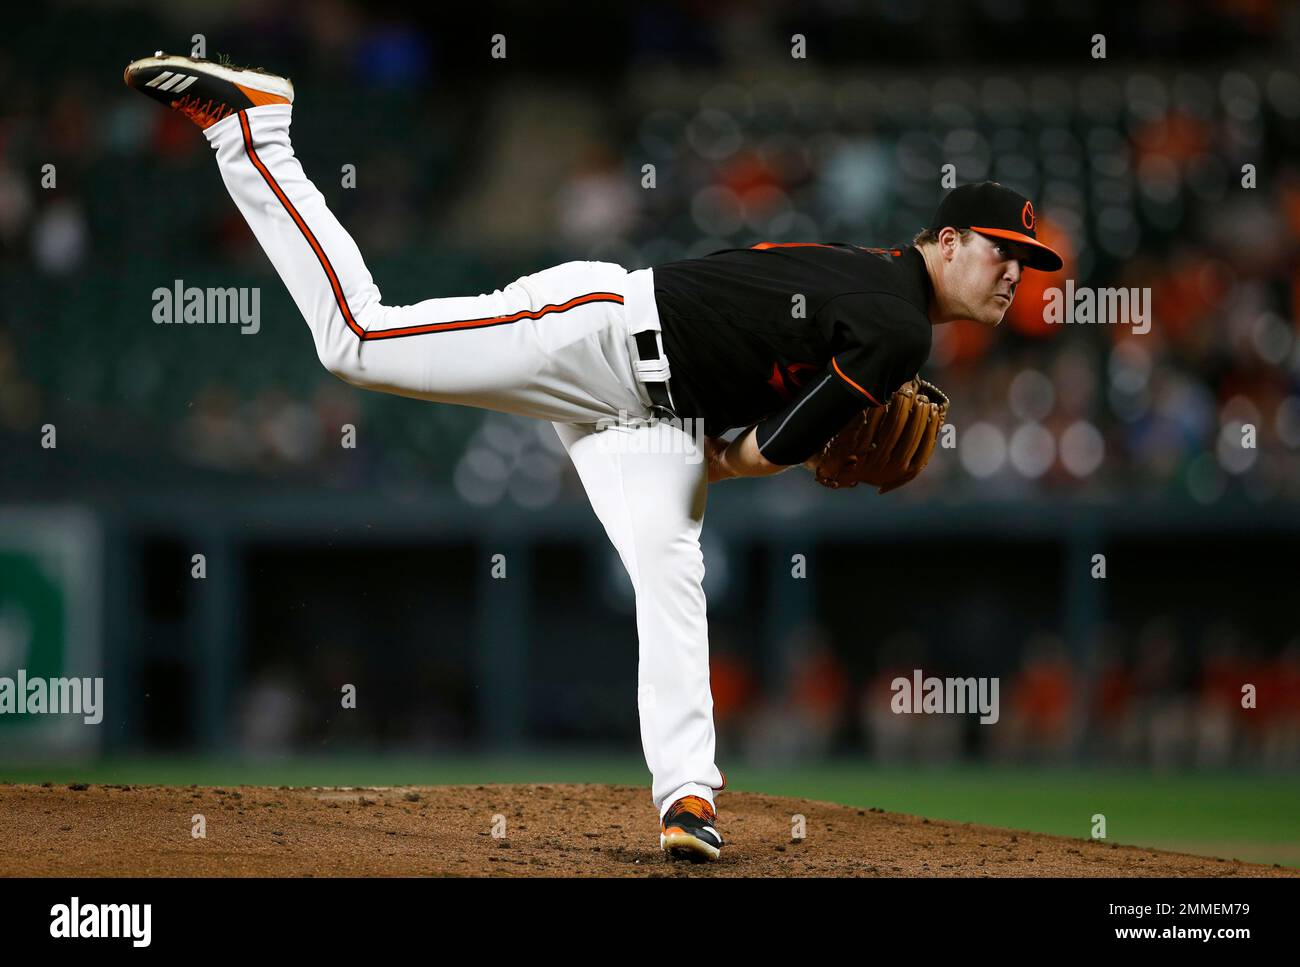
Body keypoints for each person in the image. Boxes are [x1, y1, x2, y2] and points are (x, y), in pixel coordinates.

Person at [123, 52, 1064, 862]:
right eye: (999, 251)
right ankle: (257, 131)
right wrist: (746, 458)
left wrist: (740, 449)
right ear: (945, 242)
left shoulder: (883, 294)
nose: (1015, 271)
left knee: (669, 568)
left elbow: (781, 420)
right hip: (600, 337)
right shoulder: (900, 321)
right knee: (356, 340)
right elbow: (784, 441)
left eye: (1027, 261)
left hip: (658, 416)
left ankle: (688, 799)